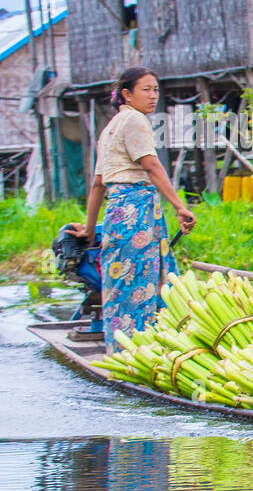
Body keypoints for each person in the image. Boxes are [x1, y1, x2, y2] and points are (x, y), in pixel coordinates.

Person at [73, 67, 195, 353]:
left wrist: (90, 230)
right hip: (137, 210)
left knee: (121, 281)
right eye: (146, 89)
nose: (153, 96)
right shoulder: (135, 121)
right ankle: (142, 350)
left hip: (117, 212)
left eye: (155, 90)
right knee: (142, 282)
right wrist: (179, 206)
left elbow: (98, 184)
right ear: (127, 94)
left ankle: (120, 348)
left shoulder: (111, 127)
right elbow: (151, 166)